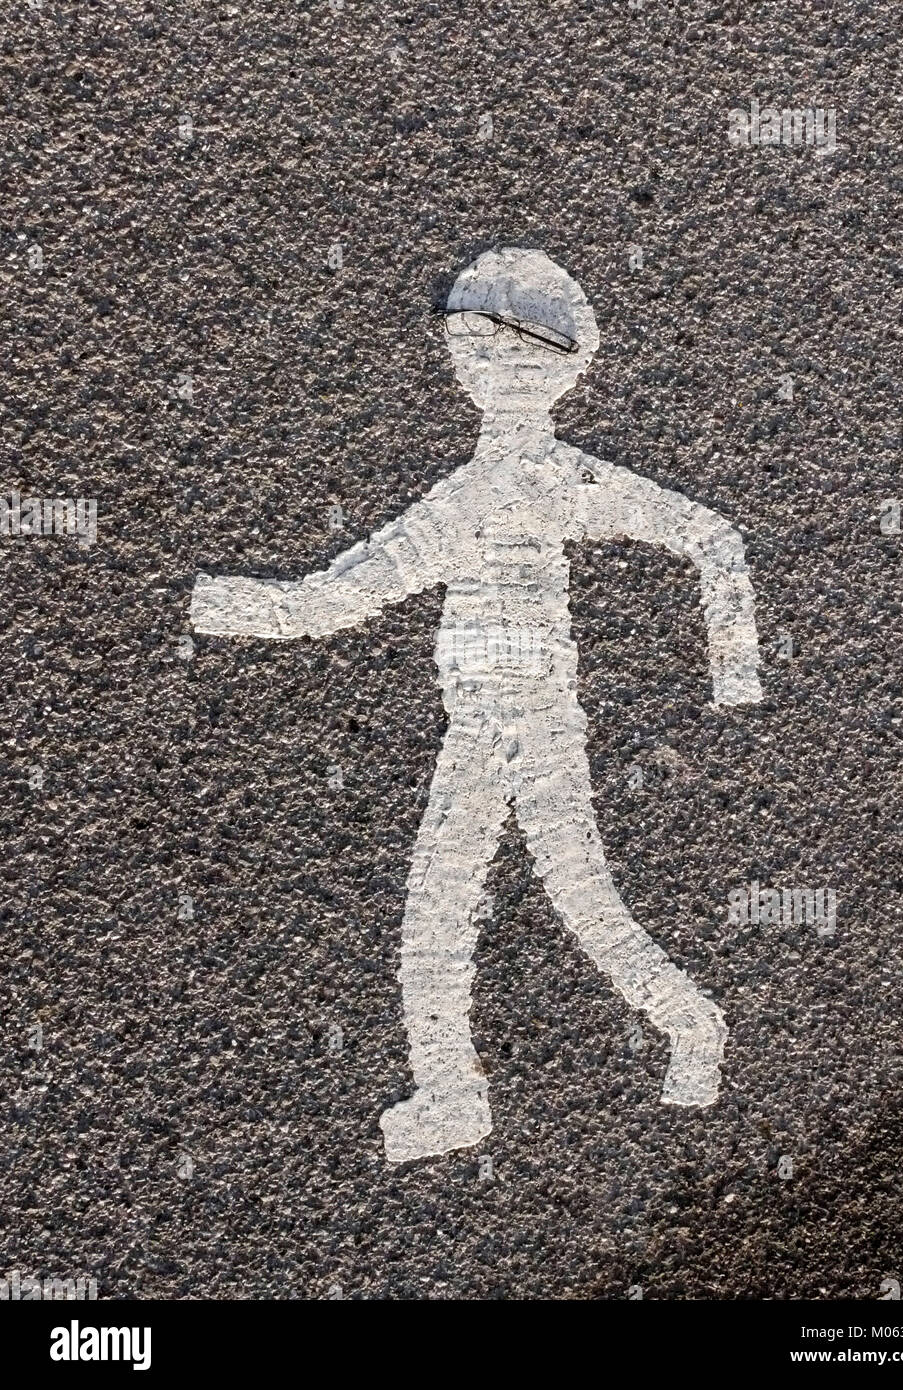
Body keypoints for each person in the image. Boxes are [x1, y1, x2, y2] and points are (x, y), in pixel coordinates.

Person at [191, 247, 763, 1163]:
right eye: (474, 345)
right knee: (494, 907)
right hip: (495, 717)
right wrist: (733, 674)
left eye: (501, 349)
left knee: (528, 906)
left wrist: (194, 600)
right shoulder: (509, 486)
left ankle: (671, 1035)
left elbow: (326, 602)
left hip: (520, 718)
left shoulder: (501, 489)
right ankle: (500, 1079)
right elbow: (712, 539)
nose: (486, 365)